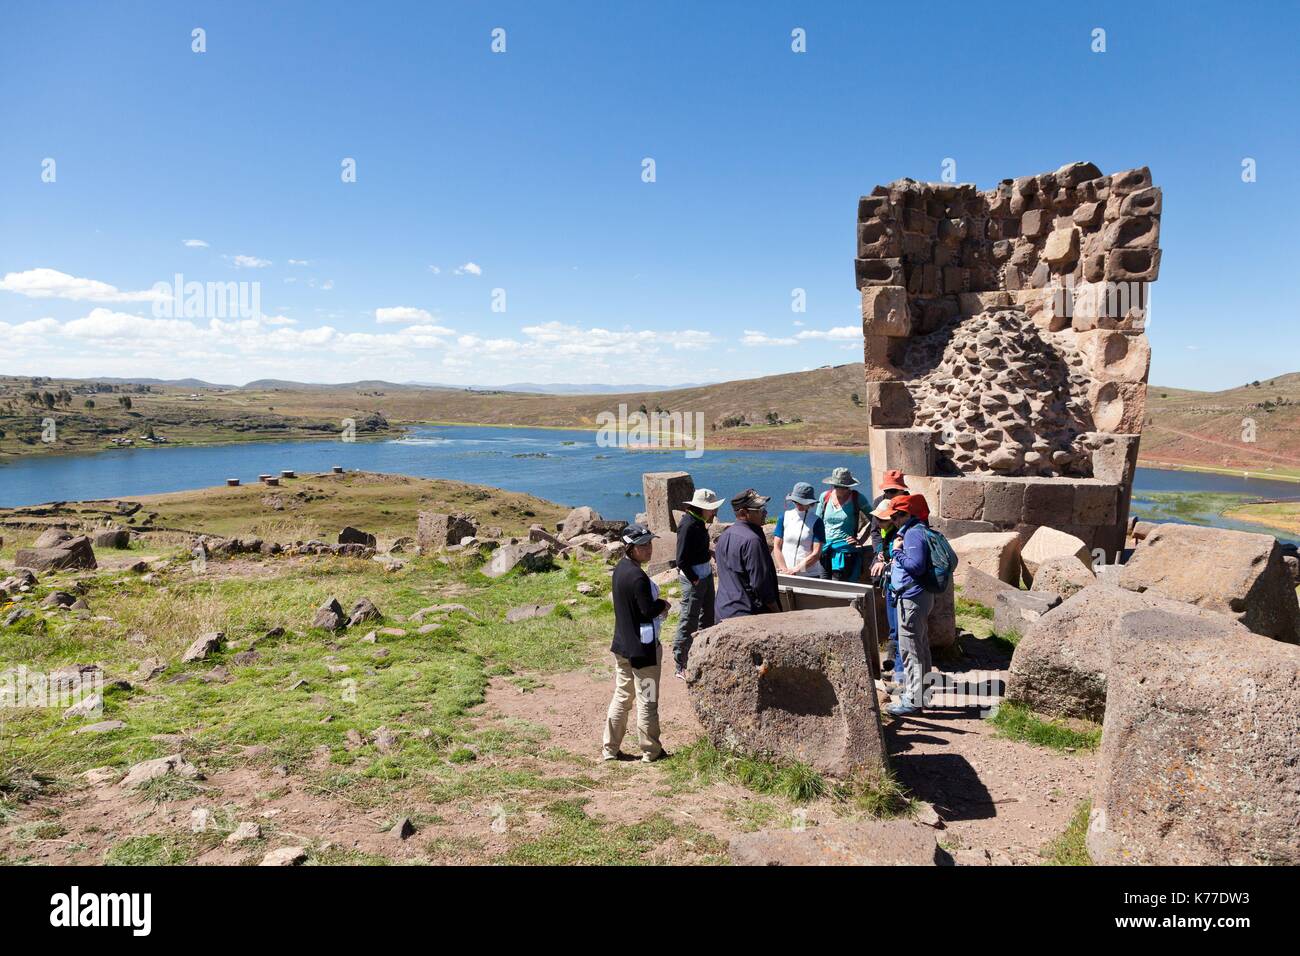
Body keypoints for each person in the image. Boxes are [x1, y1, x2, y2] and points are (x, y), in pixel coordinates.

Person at [604, 524, 671, 762]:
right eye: (643, 545)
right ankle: (651, 750)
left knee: (622, 696)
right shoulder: (637, 577)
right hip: (644, 650)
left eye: (650, 543)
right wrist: (663, 605)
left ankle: (609, 748)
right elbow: (647, 610)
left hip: (622, 645)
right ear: (630, 548)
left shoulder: (621, 569)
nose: (649, 548)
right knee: (648, 699)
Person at [883, 494, 935, 718]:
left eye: (895, 517)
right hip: (918, 596)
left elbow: (916, 566)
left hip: (912, 599)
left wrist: (896, 552)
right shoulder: (918, 530)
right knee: (920, 646)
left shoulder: (913, 534)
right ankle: (922, 694)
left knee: (910, 650)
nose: (893, 521)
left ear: (907, 515)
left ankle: (913, 700)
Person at [672, 488, 722, 679]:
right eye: (712, 509)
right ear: (701, 508)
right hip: (694, 578)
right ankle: (680, 663)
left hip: (704, 575)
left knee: (707, 615)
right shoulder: (688, 525)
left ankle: (703, 655)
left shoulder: (699, 522)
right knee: (689, 619)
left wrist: (709, 553)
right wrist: (695, 579)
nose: (714, 512)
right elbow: (681, 559)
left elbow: (695, 548)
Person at [868, 470, 909, 686]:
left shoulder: (909, 509)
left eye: (893, 490)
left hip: (901, 571)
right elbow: (876, 532)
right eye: (887, 490)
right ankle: (894, 662)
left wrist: (893, 554)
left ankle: (900, 670)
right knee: (893, 620)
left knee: (902, 624)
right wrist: (879, 553)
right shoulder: (880, 502)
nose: (889, 494)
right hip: (888, 563)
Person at [715, 488, 780, 620]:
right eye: (759, 509)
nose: (765, 512)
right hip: (747, 615)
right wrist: (777, 612)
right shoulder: (752, 540)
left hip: (723, 610)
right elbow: (760, 584)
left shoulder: (725, 535)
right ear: (743, 513)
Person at [815, 466, 873, 581]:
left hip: (845, 551)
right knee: (823, 585)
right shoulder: (825, 497)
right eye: (837, 486)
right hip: (824, 550)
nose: (840, 489)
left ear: (849, 486)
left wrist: (860, 541)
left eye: (843, 487)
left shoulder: (858, 498)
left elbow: (875, 520)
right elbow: (817, 523)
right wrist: (816, 545)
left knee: (839, 586)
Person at [772, 481, 826, 578]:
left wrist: (795, 570)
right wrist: (784, 569)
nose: (799, 504)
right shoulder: (784, 517)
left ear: (810, 502)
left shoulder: (817, 522)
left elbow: (816, 553)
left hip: (809, 575)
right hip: (785, 573)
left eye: (802, 502)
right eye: (796, 501)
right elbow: (777, 546)